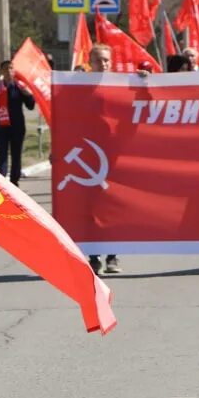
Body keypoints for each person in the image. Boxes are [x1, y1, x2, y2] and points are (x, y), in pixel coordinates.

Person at [85, 44, 121, 275]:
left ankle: (113, 256)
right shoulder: (78, 88)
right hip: (89, 156)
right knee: (92, 208)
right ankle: (93, 256)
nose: (103, 64)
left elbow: (145, 103)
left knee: (113, 206)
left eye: (106, 60)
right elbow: (65, 118)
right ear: (91, 63)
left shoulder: (121, 85)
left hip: (115, 155)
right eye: (98, 60)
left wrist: (143, 81)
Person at [0, 59, 35, 186]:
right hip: (2, 127)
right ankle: (1, 183)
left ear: (14, 71)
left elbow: (31, 106)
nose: (8, 71)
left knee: (16, 154)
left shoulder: (19, 86)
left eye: (11, 68)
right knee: (2, 155)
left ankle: (14, 181)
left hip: (17, 126)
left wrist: (28, 95)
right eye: (5, 69)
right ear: (1, 72)